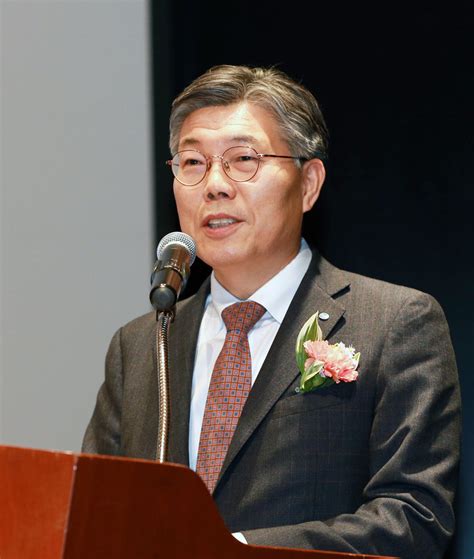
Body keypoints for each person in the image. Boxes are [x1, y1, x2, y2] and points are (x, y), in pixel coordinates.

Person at [82, 65, 461, 558]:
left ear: (308, 184)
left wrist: (232, 550)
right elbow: (93, 515)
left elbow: (413, 518)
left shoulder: (394, 324)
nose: (214, 185)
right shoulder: (141, 345)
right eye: (192, 162)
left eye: (243, 159)